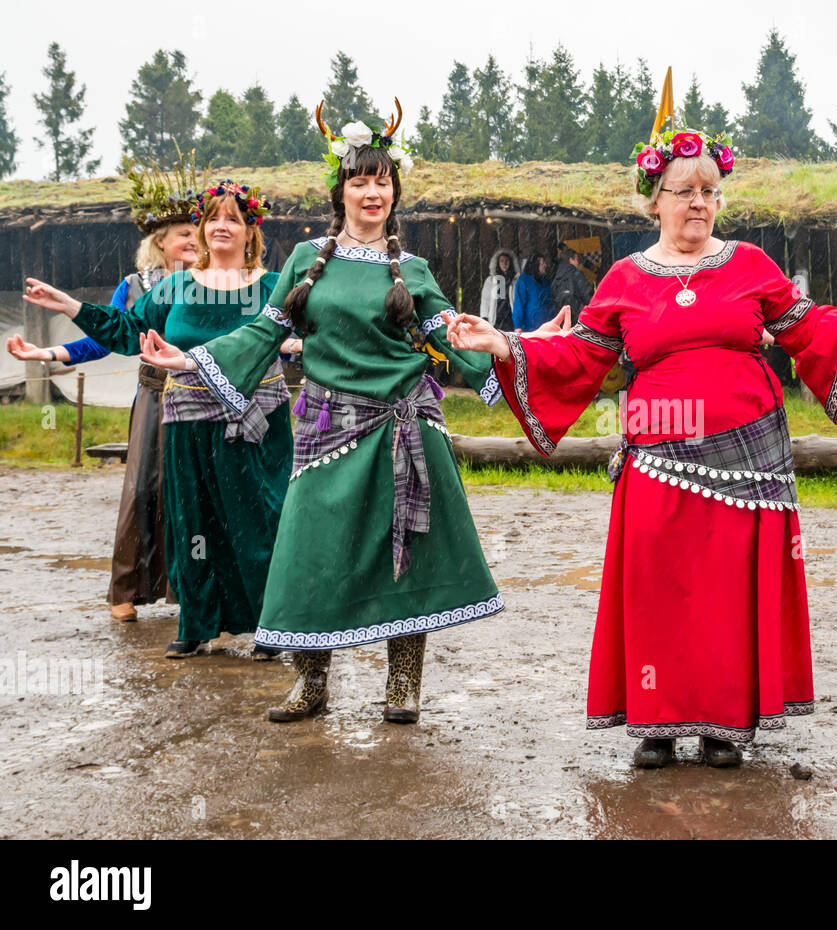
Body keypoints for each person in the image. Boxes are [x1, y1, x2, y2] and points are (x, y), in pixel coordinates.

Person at [447, 120, 837, 768]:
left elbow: (812, 326)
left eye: (710, 190)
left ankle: (722, 723)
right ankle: (656, 723)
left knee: (725, 597)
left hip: (749, 459)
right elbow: (583, 354)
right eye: (685, 191)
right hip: (657, 459)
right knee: (659, 589)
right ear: (654, 199)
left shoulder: (750, 266)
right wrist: (505, 343)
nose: (700, 203)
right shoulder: (625, 279)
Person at [139, 102, 504, 724]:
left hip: (403, 426)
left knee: (403, 555)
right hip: (328, 426)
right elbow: (264, 331)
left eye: (383, 181)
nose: (372, 192)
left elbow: (452, 332)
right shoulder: (310, 260)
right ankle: (312, 683)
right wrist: (192, 361)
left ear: (395, 192)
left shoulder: (412, 270)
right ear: (340, 191)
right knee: (310, 553)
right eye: (359, 181)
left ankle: (402, 686)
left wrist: (518, 347)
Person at [24, 179, 293, 661]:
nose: (220, 227)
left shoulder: (274, 288)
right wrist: (69, 306)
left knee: (258, 523)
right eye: (212, 218)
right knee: (193, 524)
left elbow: (316, 330)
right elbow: (127, 332)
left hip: (257, 423)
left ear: (252, 230)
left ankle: (268, 625)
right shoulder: (176, 286)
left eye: (233, 218)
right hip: (187, 421)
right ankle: (196, 623)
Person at [6, 160, 199, 622]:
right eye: (182, 235)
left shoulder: (220, 285)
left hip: (206, 395)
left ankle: (193, 592)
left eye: (198, 233)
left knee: (196, 494)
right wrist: (45, 354)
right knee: (144, 492)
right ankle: (127, 589)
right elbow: (100, 341)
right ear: (160, 245)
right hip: (155, 397)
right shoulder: (135, 288)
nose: (193, 241)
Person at [479, 248, 519, 331]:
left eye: (507, 261)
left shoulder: (516, 280)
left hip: (511, 319)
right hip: (496, 319)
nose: (504, 263)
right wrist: (484, 317)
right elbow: (485, 300)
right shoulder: (491, 281)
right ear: (497, 263)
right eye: (501, 261)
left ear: (511, 262)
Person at [512, 254, 552, 332]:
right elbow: (518, 304)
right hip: (529, 327)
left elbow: (550, 304)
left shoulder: (546, 281)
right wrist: (518, 325)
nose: (545, 265)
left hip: (546, 327)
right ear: (535, 265)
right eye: (542, 263)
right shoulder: (524, 281)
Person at [550, 247, 594, 317]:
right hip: (579, 318)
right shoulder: (576, 274)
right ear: (571, 260)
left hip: (563, 319)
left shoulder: (556, 278)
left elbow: (553, 298)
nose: (578, 263)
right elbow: (587, 295)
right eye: (577, 260)